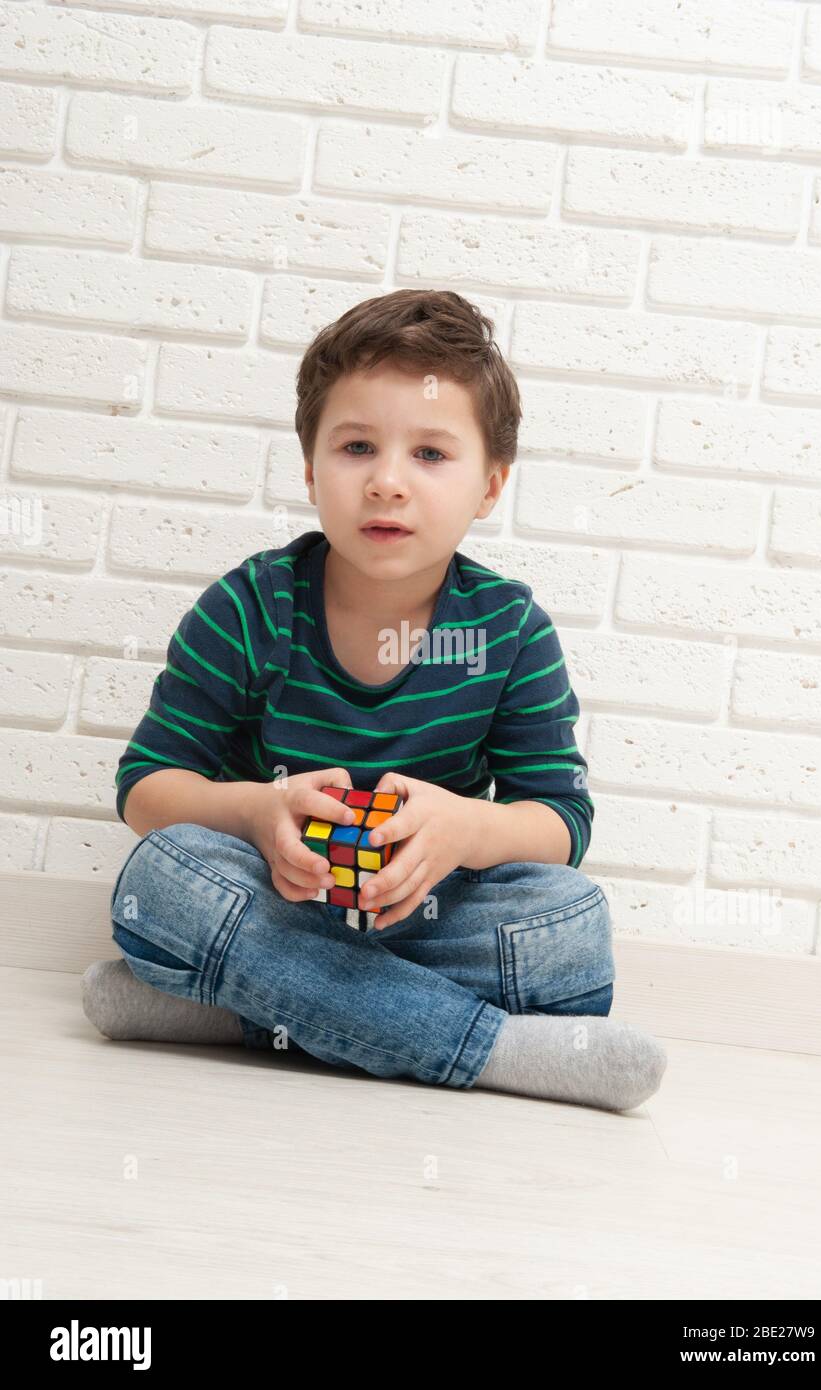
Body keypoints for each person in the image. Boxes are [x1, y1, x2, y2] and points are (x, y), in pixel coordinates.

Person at [82, 288, 666, 1112]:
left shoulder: (509, 628)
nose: (388, 482)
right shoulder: (250, 605)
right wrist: (257, 811)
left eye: (430, 454)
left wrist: (467, 828)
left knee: (570, 924)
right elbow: (146, 788)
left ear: (489, 486)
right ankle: (489, 1050)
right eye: (358, 446)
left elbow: (560, 823)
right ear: (311, 468)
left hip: (427, 922)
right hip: (276, 902)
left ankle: (240, 1012)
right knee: (166, 879)